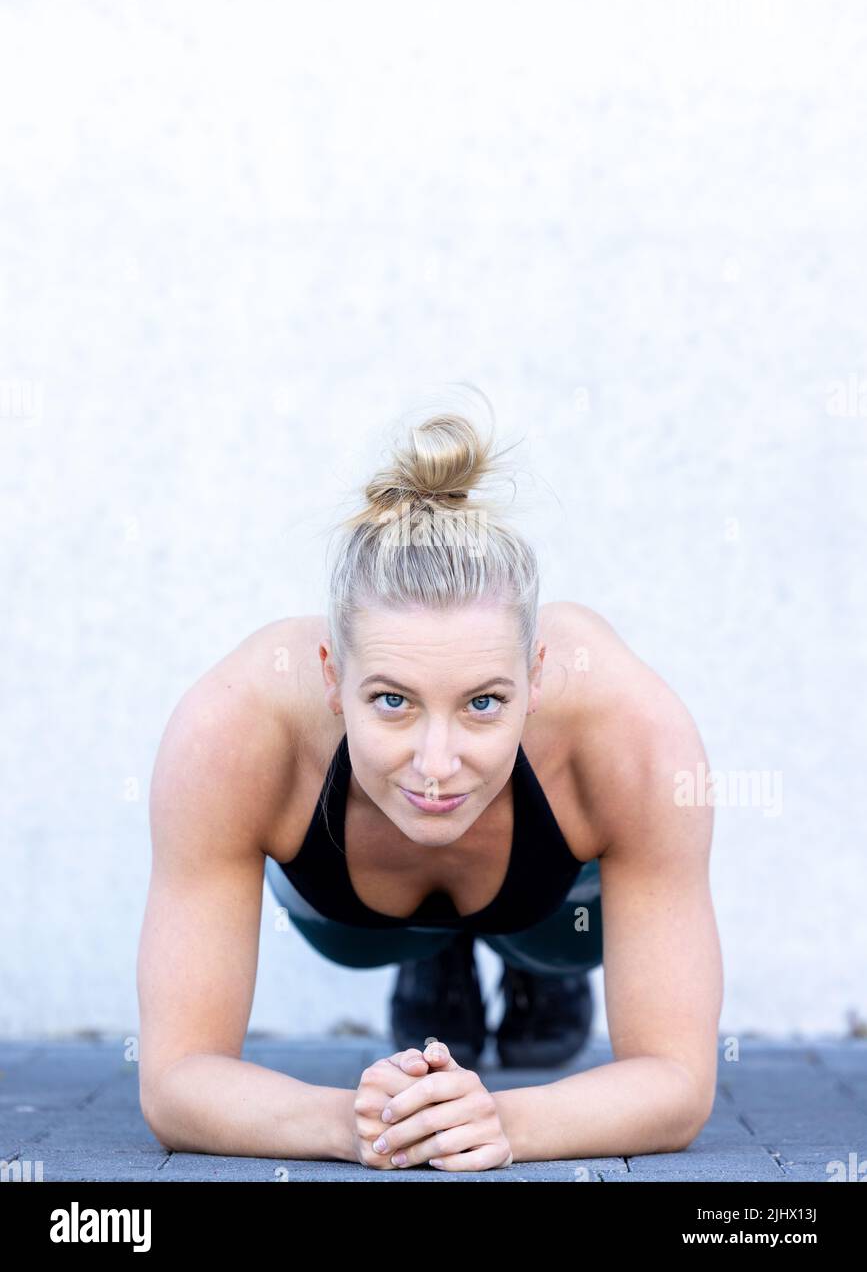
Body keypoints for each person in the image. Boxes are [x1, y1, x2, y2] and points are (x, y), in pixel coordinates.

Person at [137, 395, 723, 1171]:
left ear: (536, 676)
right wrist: (355, 1121)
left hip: (547, 908)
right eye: (391, 701)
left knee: (553, 945)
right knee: (377, 929)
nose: (437, 765)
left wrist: (495, 1120)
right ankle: (433, 950)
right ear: (330, 677)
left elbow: (679, 1082)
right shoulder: (234, 731)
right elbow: (174, 1079)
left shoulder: (632, 734)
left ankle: (517, 962)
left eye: (483, 703)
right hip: (354, 915)